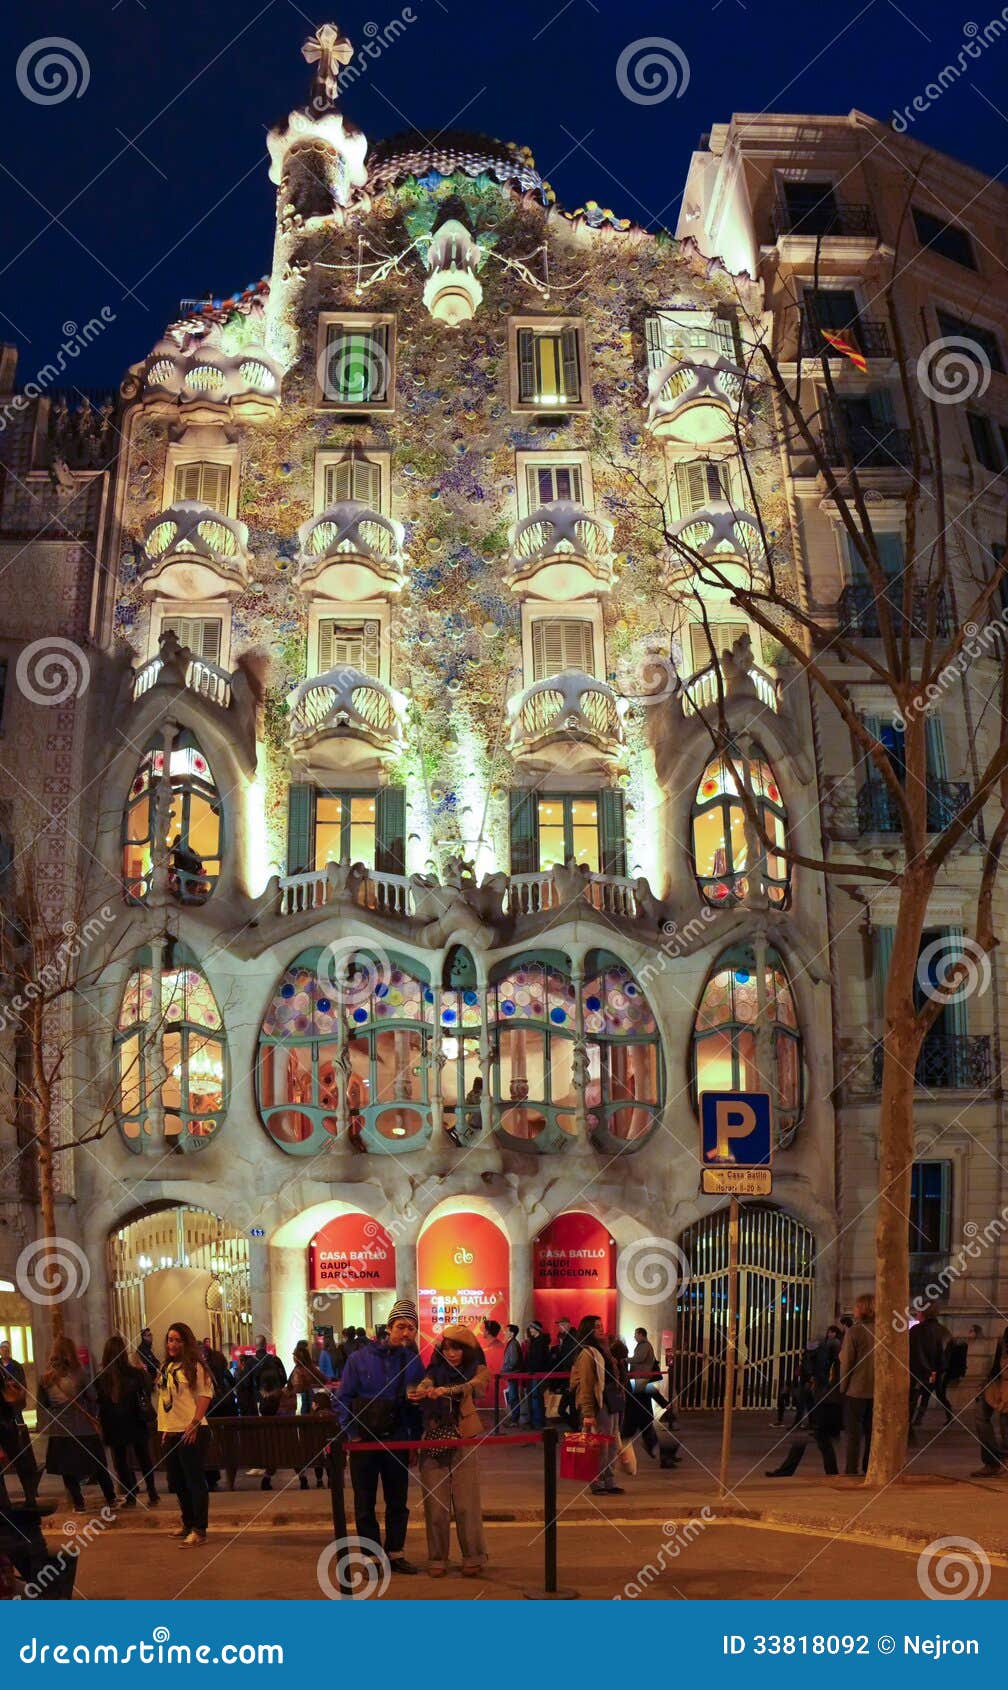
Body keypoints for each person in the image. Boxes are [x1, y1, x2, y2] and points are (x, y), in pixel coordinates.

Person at [335, 1297, 425, 1575]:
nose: (406, 1333)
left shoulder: (413, 1361)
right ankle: (373, 1556)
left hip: (397, 1438)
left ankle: (395, 1552)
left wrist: (414, 1441)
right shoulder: (359, 1359)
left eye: (412, 1327)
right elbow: (342, 1399)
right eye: (401, 1326)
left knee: (397, 1501)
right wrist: (351, 1432)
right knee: (364, 1502)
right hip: (365, 1441)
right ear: (389, 1327)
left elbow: (416, 1406)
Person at [413, 1323, 489, 1577]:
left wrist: (450, 1390)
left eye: (457, 1348)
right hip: (433, 1436)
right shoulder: (435, 1369)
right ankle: (437, 1558)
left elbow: (478, 1385)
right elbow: (426, 1381)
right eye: (447, 1348)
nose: (451, 1353)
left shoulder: (477, 1368)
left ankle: (473, 1555)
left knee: (467, 1503)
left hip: (463, 1437)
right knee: (435, 1504)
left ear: (467, 1350)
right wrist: (422, 1390)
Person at [39, 1336, 116, 1512]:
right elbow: (93, 1396)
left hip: (60, 1430)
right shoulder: (80, 1373)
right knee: (97, 1464)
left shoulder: (45, 1379)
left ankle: (78, 1503)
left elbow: (43, 1404)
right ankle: (110, 1498)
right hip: (83, 1428)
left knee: (68, 1470)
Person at [156, 1323, 214, 1546]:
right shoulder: (166, 1367)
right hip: (172, 1430)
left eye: (177, 1340)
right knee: (177, 1481)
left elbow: (204, 1396)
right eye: (170, 1339)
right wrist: (165, 1429)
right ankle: (187, 1522)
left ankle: (200, 1528)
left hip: (192, 1429)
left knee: (194, 1480)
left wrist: (194, 1423)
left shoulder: (195, 1366)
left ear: (185, 1342)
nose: (172, 1344)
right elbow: (164, 1400)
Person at [766, 1325, 843, 1477]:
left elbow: (820, 1378)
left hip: (823, 1402)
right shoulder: (830, 1360)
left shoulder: (826, 1362)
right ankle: (829, 1473)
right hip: (824, 1402)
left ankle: (830, 1473)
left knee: (818, 1439)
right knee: (815, 1439)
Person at [95, 1334, 159, 1508]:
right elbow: (147, 1389)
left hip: (113, 1424)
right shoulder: (136, 1374)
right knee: (143, 1456)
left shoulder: (102, 1378)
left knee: (121, 1460)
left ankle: (131, 1494)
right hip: (135, 1420)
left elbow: (98, 1401)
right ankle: (152, 1491)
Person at [570, 1314, 624, 1496]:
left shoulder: (605, 1350)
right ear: (589, 1331)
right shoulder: (587, 1353)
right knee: (599, 1444)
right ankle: (596, 1481)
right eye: (597, 1327)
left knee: (612, 1442)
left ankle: (609, 1479)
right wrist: (587, 1412)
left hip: (612, 1399)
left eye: (602, 1326)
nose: (602, 1330)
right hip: (599, 1402)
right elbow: (586, 1384)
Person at [839, 1293, 875, 1476]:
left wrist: (842, 1387)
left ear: (862, 1309)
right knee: (872, 1433)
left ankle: (851, 1469)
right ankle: (869, 1467)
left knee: (853, 1434)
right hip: (877, 1391)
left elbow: (846, 1362)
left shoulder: (855, 1332)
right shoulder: (885, 1330)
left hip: (856, 1390)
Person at [0, 1340, 38, 1507]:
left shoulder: (8, 1367)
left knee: (18, 1458)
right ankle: (28, 1497)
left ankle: (7, 1502)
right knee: (19, 1458)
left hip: (5, 1420)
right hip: (6, 1420)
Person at [972, 1322, 1008, 1477]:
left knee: (1005, 1423)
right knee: (980, 1415)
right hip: (998, 1382)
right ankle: (993, 1461)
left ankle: (1002, 1461)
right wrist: (986, 1383)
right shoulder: (1004, 1337)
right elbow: (996, 1364)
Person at [909, 1304, 952, 1429]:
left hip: (918, 1370)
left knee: (913, 1398)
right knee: (935, 1395)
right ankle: (919, 1418)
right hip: (936, 1371)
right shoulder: (943, 1330)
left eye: (918, 1313)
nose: (916, 1315)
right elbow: (945, 1353)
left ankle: (911, 1423)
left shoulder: (915, 1330)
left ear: (923, 1314)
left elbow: (912, 1352)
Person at [630, 1327, 668, 1408]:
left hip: (643, 1375)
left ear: (641, 1334)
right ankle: (667, 1408)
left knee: (647, 1396)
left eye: (636, 1335)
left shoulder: (645, 1345)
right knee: (652, 1393)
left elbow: (639, 1358)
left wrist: (626, 1360)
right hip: (643, 1375)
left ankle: (667, 1408)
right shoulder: (644, 1345)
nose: (634, 1337)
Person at [552, 1318, 579, 1427]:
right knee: (565, 1408)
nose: (560, 1327)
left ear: (567, 1325)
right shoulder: (568, 1338)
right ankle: (576, 1428)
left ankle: (576, 1429)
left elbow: (570, 1358)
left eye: (562, 1325)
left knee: (570, 1407)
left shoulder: (572, 1339)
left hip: (570, 1377)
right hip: (567, 1378)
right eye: (559, 1325)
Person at [524, 1322, 552, 1430]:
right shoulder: (535, 1341)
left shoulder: (540, 1342)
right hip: (534, 1373)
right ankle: (535, 1420)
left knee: (536, 1397)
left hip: (537, 1373)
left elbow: (539, 1359)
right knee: (534, 1397)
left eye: (531, 1328)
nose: (530, 1330)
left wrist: (532, 1369)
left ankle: (537, 1421)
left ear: (536, 1329)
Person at [502, 1324, 524, 1426]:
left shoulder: (513, 1344)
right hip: (511, 1374)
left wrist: (506, 1369)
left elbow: (514, 1361)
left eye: (506, 1331)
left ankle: (514, 1420)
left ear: (512, 1333)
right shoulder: (512, 1344)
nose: (504, 1333)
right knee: (512, 1396)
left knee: (513, 1397)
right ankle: (514, 1419)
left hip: (512, 1374)